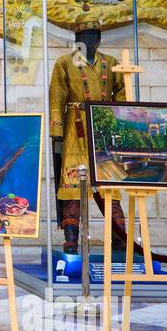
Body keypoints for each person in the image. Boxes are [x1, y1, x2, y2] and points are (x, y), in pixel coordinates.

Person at [49, 19, 125, 252]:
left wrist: (120, 127)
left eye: (94, 36)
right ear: (77, 39)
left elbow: (122, 95)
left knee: (108, 180)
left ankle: (120, 235)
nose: (90, 40)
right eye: (85, 37)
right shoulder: (65, 62)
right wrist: (57, 132)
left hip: (103, 127)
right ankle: (72, 236)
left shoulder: (111, 63)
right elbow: (57, 96)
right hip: (75, 127)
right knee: (72, 181)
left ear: (100, 38)